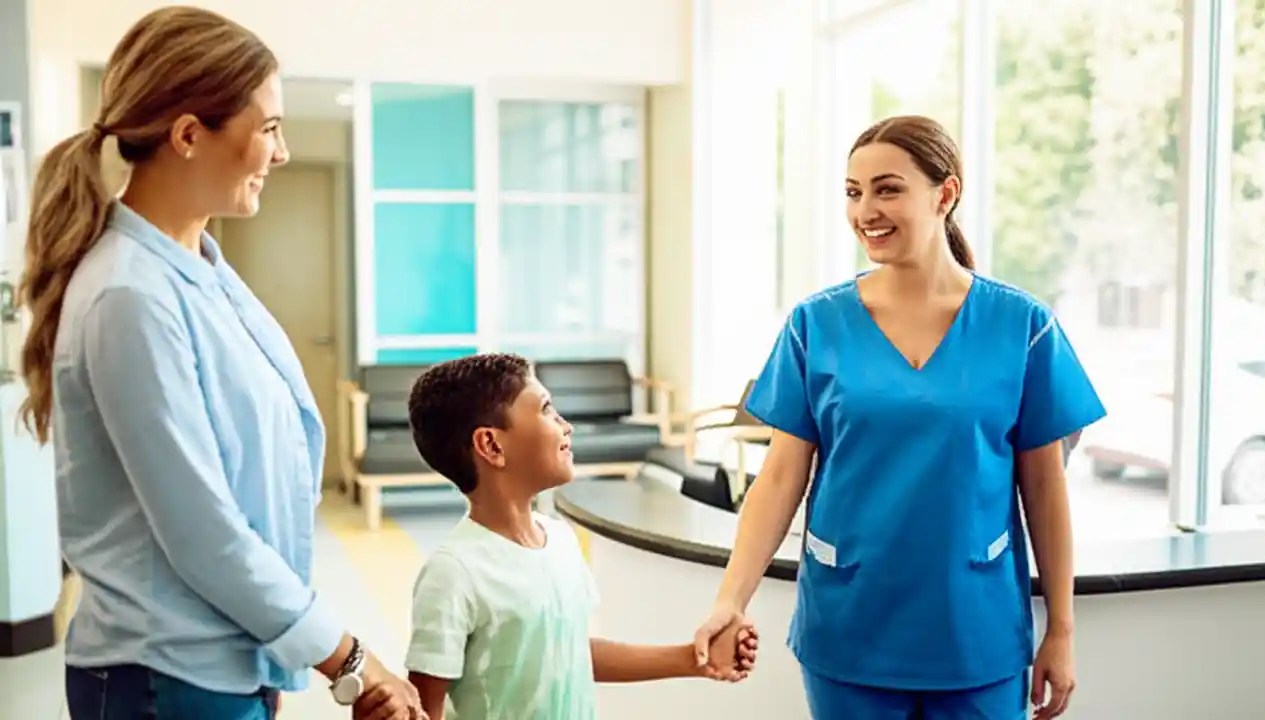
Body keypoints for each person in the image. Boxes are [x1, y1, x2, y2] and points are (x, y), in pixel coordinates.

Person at [21, 7, 423, 719]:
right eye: (268, 127)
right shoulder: (130, 296)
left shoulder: (196, 269)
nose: (282, 151)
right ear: (186, 135)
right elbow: (205, 534)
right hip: (164, 675)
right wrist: (352, 660)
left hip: (223, 661)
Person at [692, 115, 1106, 719]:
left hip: (975, 633)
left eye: (887, 189)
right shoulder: (816, 325)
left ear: (946, 194)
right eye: (853, 192)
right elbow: (780, 479)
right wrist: (731, 600)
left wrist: (1062, 631)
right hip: (850, 626)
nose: (865, 211)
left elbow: (1043, 488)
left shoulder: (1022, 327)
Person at [402, 353, 759, 719]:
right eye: (546, 410)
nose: (565, 425)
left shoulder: (560, 540)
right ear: (492, 446)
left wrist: (692, 659)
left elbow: (570, 653)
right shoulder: (454, 573)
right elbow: (422, 709)